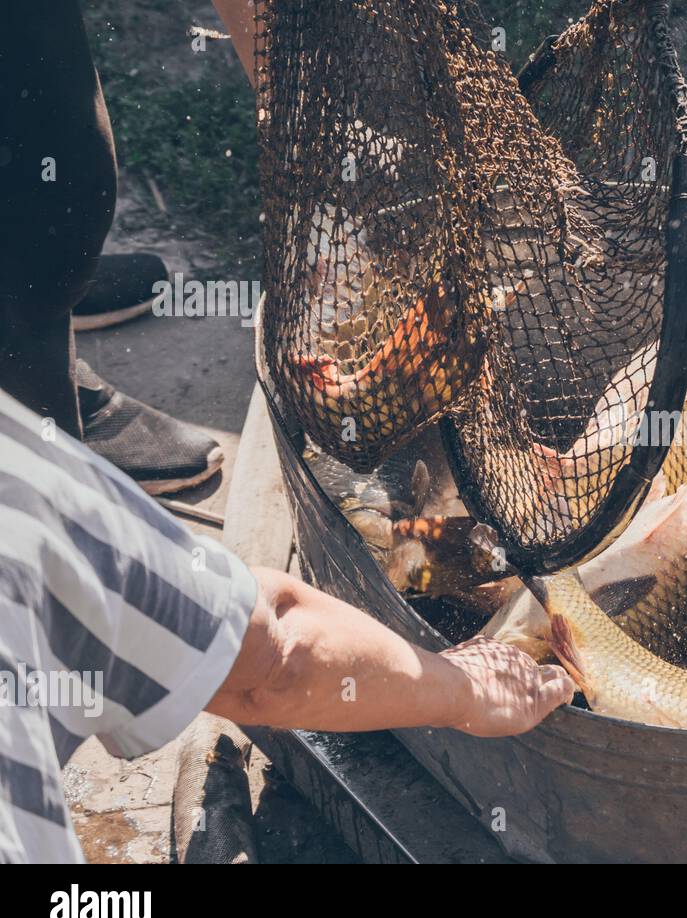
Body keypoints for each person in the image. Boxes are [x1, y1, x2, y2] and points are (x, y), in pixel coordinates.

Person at [0, 3, 575, 863]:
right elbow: (273, 656)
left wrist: (294, 103)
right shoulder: (23, 497)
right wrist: (462, 688)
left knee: (54, 170)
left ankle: (44, 336)